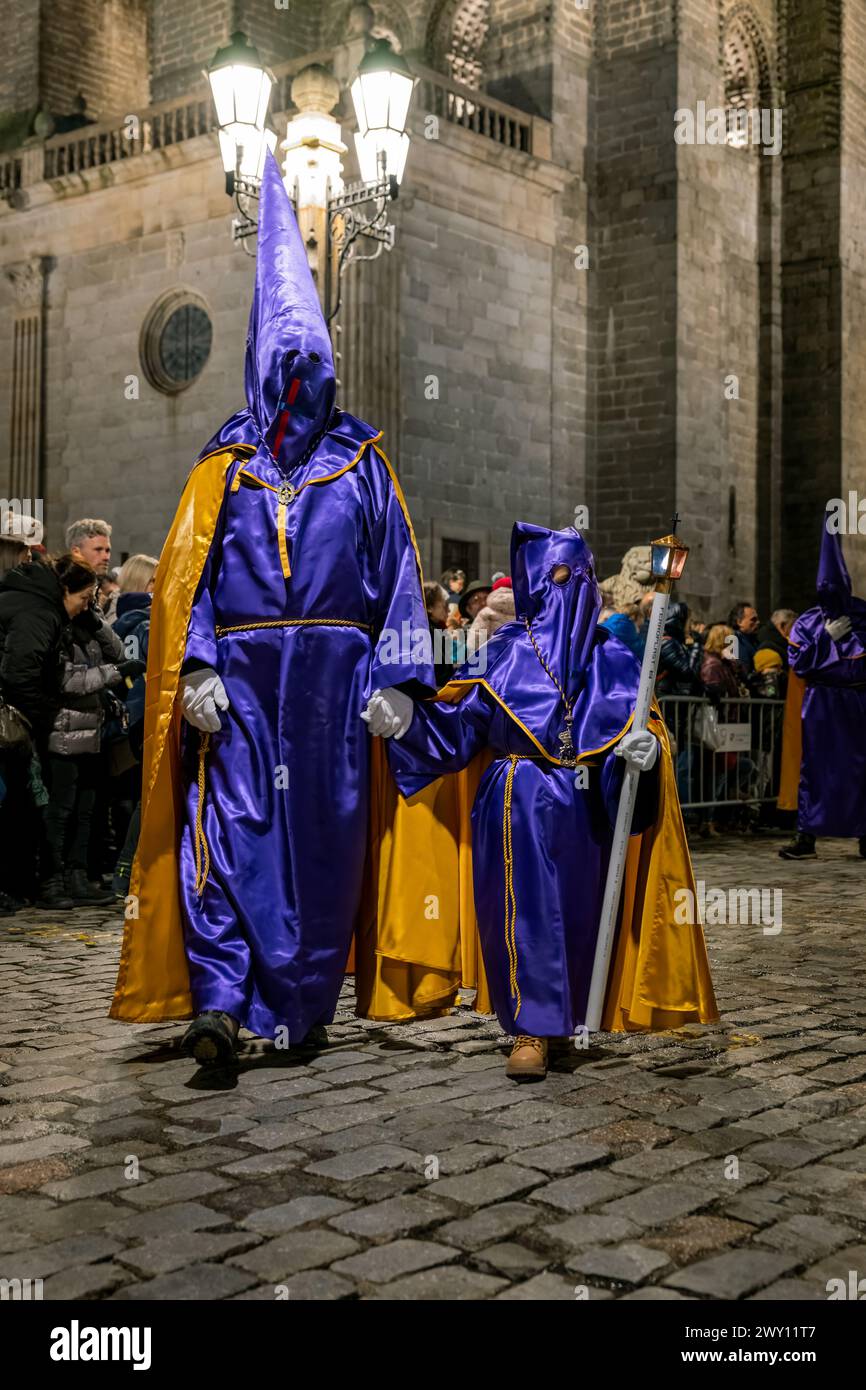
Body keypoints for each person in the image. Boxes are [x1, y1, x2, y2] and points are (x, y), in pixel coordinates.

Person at [110, 151, 435, 1064]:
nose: (297, 377)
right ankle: (220, 1000)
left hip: (335, 688)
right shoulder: (223, 466)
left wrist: (397, 676)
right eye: (283, 363)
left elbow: (399, 576)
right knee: (228, 827)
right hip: (245, 681)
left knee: (322, 843)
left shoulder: (363, 466)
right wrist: (198, 663)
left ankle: (300, 999)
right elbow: (191, 579)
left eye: (311, 363)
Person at [364, 522, 717, 1080]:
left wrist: (645, 753)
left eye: (579, 576)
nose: (569, 588)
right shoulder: (504, 652)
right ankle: (530, 1027)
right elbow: (460, 730)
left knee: (579, 911)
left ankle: (569, 1018)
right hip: (517, 801)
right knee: (525, 913)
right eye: (556, 577)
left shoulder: (612, 656)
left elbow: (636, 731)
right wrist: (410, 720)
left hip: (587, 807)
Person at [0, 554, 104, 906]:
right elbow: (19, 674)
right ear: (65, 590)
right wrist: (47, 712)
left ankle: (18, 885)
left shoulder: (38, 605)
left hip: (22, 710)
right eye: (84, 598)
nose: (86, 606)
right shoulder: (40, 613)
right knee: (21, 800)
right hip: (15, 716)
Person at [40, 585, 145, 908]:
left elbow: (118, 652)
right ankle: (52, 881)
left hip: (91, 728)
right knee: (61, 811)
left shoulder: (89, 625)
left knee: (86, 810)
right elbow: (67, 680)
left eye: (93, 596)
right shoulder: (57, 627)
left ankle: (78, 876)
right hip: (63, 728)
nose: (90, 603)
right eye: (85, 597)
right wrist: (114, 674)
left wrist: (98, 624)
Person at [779, 524, 866, 861]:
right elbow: (800, 663)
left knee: (859, 769)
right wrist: (827, 638)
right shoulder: (809, 622)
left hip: (856, 702)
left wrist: (848, 640)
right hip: (820, 705)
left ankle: (864, 833)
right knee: (814, 768)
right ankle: (806, 835)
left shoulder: (861, 615)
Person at [468, 575, 515, 648]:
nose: (483, 603)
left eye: (485, 597)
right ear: (468, 608)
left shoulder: (485, 613)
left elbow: (473, 645)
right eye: (476, 599)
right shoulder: (526, 612)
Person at [424, 580, 455, 689]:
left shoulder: (435, 628)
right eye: (444, 605)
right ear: (429, 608)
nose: (449, 610)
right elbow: (441, 674)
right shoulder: (429, 632)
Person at [727, 601, 760, 671]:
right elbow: (744, 669)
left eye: (757, 619)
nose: (758, 622)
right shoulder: (735, 642)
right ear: (739, 622)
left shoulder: (753, 639)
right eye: (753, 619)